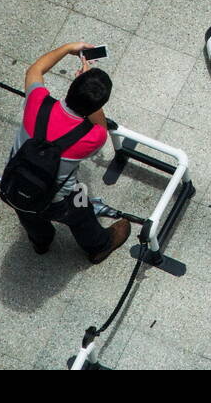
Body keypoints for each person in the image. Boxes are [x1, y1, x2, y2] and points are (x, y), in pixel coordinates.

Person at [7, 42, 130, 264]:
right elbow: (99, 124)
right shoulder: (93, 138)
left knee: (28, 213)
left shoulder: (36, 103)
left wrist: (67, 49)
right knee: (81, 211)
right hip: (55, 201)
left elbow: (35, 70)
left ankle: (41, 242)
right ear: (98, 105)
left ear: (71, 87)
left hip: (14, 185)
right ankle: (99, 246)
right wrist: (92, 98)